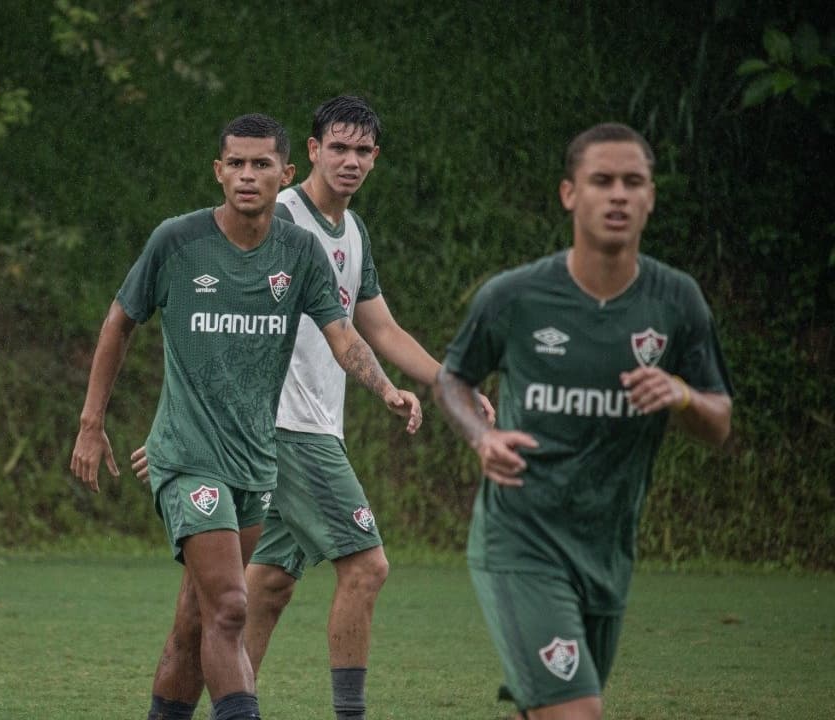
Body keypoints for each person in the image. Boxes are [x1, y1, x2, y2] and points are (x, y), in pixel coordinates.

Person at [132, 95, 494, 720]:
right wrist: (181, 435)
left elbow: (379, 328)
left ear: (375, 159)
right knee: (367, 566)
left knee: (257, 592)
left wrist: (448, 382)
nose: (349, 161)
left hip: (295, 433)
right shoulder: (274, 213)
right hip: (285, 434)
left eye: (362, 151)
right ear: (310, 153)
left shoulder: (351, 233)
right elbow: (198, 322)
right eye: (338, 147)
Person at [70, 113, 420, 720]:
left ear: (283, 172)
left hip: (255, 464)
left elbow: (344, 336)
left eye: (262, 165)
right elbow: (119, 322)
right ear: (218, 171)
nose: (248, 175)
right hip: (187, 457)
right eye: (236, 163)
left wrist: (386, 389)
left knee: (194, 621)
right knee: (233, 606)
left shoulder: (301, 251)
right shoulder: (177, 242)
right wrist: (91, 423)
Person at [433, 122, 733, 720]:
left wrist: (680, 395)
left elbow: (719, 420)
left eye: (633, 182)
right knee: (575, 711)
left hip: (607, 545)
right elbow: (452, 378)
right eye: (602, 181)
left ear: (650, 197)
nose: (618, 195)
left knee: (546, 708)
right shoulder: (516, 297)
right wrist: (482, 435)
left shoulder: (676, 302)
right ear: (571, 194)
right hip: (521, 536)